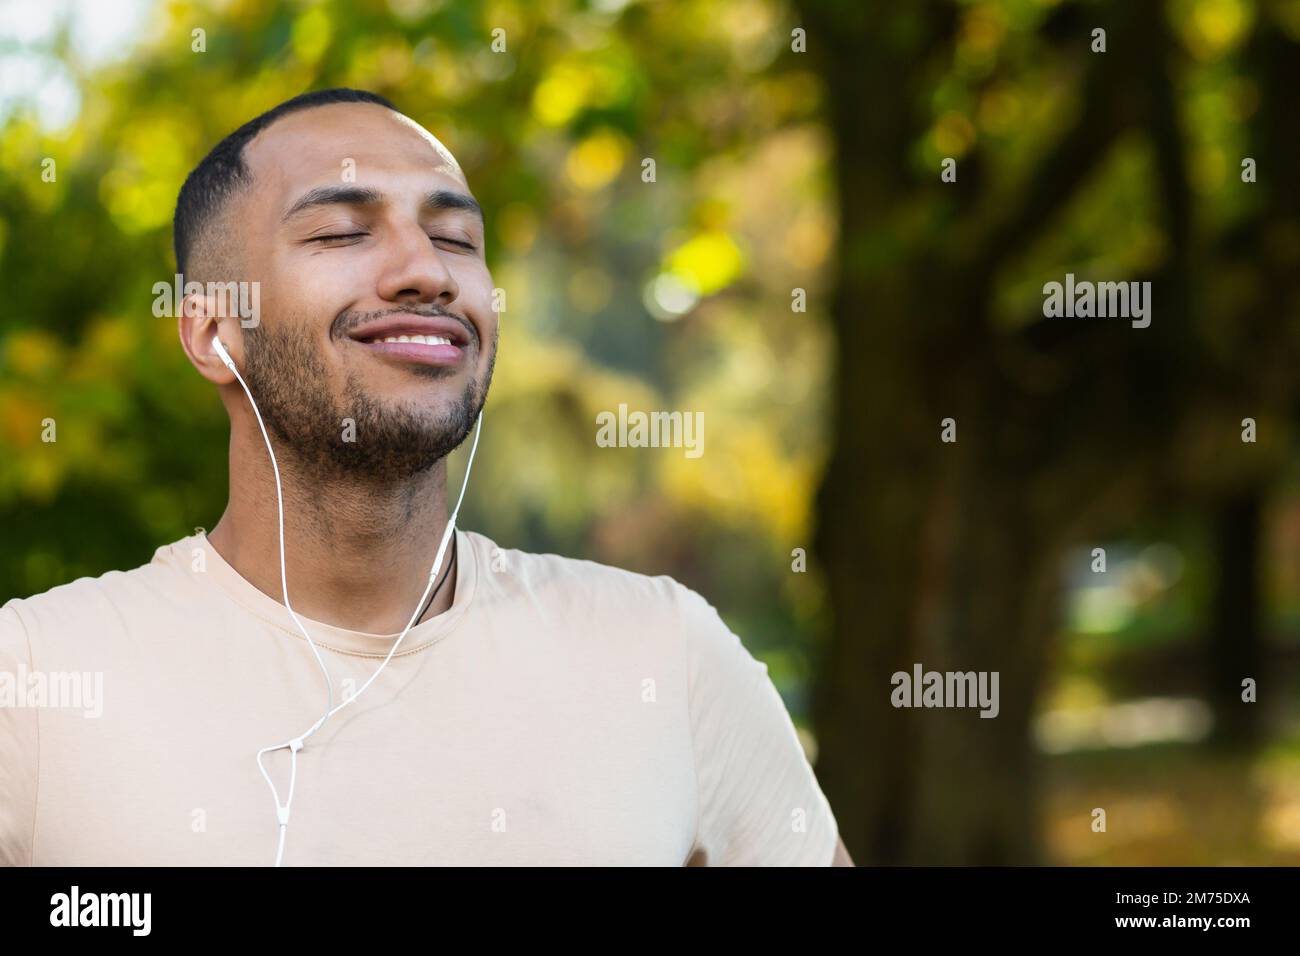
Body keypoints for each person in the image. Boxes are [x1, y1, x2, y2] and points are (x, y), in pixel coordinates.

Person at [0, 88, 851, 867]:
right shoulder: (36, 678)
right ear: (215, 334)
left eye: (455, 240)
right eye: (342, 232)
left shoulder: (666, 654)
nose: (428, 272)